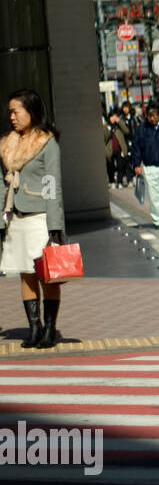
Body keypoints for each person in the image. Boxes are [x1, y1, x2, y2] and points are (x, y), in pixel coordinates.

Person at [0, 89, 66, 348]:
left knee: (46, 275)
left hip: (40, 217)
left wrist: (55, 227)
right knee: (25, 274)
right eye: (10, 112)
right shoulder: (6, 143)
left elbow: (53, 186)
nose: (12, 116)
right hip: (16, 218)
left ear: (31, 111)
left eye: (16, 111)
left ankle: (50, 328)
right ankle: (34, 328)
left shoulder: (47, 142)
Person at [104, 109, 129, 188]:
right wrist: (109, 129)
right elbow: (105, 137)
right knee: (110, 167)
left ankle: (120, 181)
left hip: (119, 148)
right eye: (113, 116)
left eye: (116, 116)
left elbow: (126, 131)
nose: (114, 118)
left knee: (120, 166)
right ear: (110, 117)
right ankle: (111, 181)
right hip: (110, 149)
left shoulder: (119, 125)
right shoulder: (105, 126)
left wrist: (119, 122)